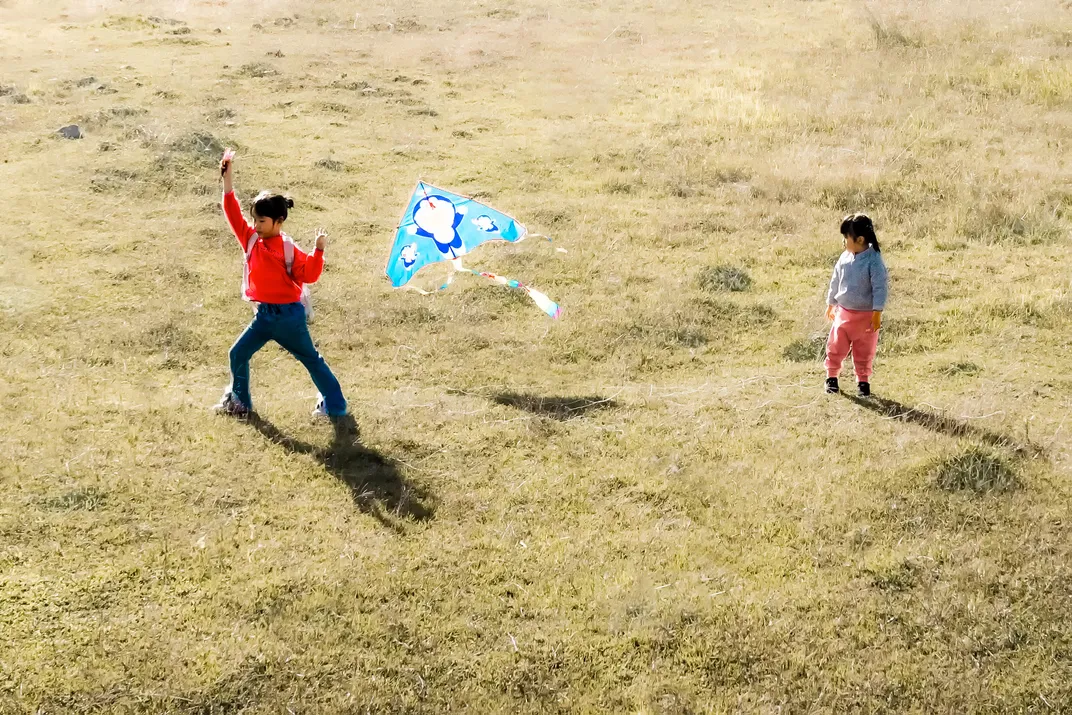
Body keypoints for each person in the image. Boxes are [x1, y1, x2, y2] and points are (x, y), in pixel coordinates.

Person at [212, 151, 349, 421]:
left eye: (262, 221)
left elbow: (309, 275)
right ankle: (240, 402)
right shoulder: (251, 240)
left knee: (310, 359)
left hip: (288, 316)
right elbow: (232, 213)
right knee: (238, 353)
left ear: (279, 221)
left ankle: (335, 405)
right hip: (264, 315)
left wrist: (318, 251)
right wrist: (228, 181)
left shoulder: (288, 249)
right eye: (255, 220)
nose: (256, 226)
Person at [824, 213, 888, 397]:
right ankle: (832, 377)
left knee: (864, 351)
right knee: (835, 346)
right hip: (843, 314)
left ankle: (863, 382)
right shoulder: (844, 258)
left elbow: (879, 286)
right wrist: (831, 303)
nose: (844, 242)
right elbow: (835, 280)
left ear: (860, 239)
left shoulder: (873, 261)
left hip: (866, 318)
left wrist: (877, 311)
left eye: (846, 238)